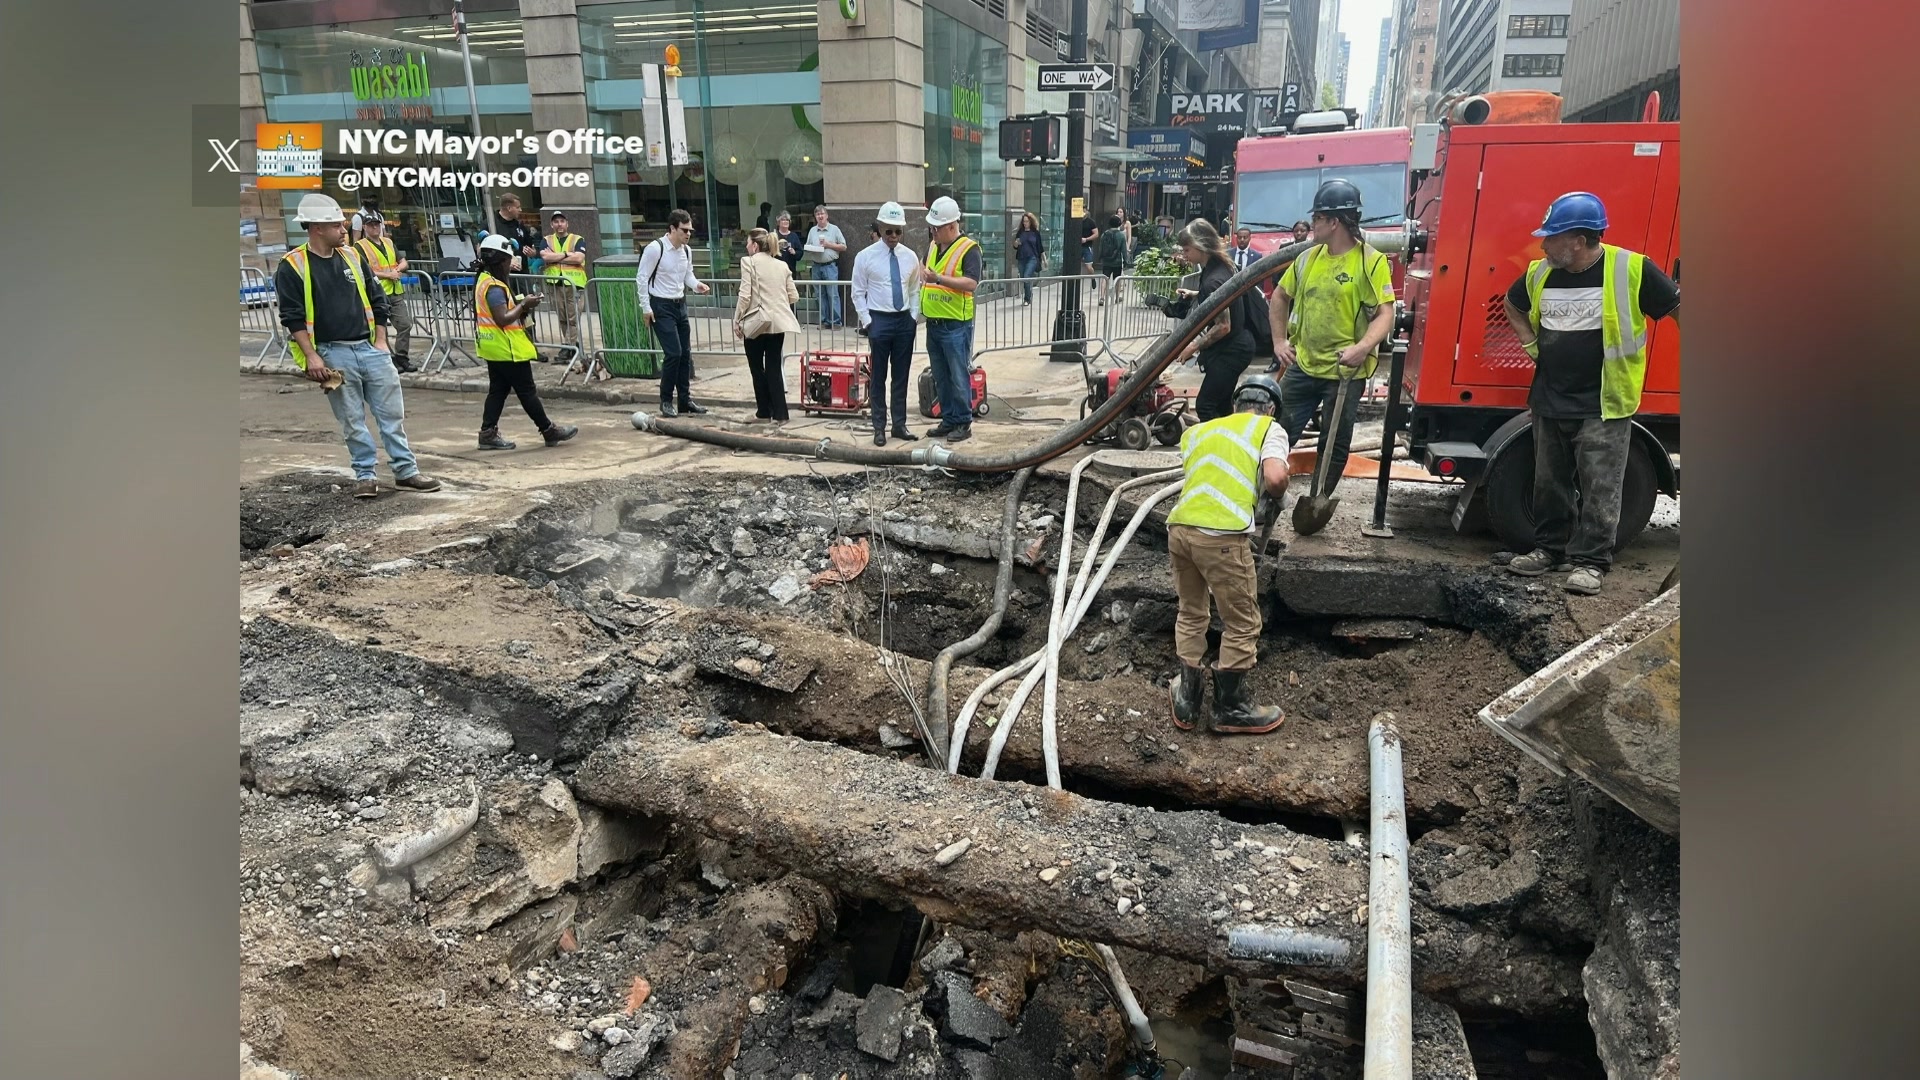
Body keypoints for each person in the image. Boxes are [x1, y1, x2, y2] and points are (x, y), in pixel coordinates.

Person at [1501, 191, 1681, 595]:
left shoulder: (1630, 268)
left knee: (1601, 486)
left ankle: (1592, 563)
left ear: (1578, 241)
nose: (1543, 246)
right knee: (1549, 483)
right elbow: (1513, 305)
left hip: (1604, 402)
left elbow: (1679, 308)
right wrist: (1532, 346)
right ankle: (1550, 551)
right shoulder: (1539, 273)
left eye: (1551, 238)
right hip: (1550, 398)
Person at [274, 193, 440, 499]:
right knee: (351, 419)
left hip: (369, 348)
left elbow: (378, 299)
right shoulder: (292, 266)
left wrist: (381, 340)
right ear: (317, 228)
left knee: (391, 415)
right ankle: (365, 474)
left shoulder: (352, 256)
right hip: (332, 352)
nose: (344, 229)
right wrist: (312, 357)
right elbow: (292, 317)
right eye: (337, 225)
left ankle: (406, 471)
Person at [1165, 374, 1291, 735]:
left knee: (1191, 611)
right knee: (1242, 621)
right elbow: (1275, 479)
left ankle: (1187, 699)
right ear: (1270, 409)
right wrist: (1279, 488)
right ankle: (1230, 708)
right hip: (1221, 536)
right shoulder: (1269, 429)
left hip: (1180, 529)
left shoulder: (1200, 431)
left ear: (1235, 404)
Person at [1267, 179, 1396, 497]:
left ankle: (1319, 500)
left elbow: (1386, 313)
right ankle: (1265, 495)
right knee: (1276, 434)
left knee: (1334, 443)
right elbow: (1279, 297)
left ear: (1334, 221)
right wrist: (1279, 342)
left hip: (1345, 372)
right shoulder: (1307, 259)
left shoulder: (1370, 262)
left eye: (1317, 218)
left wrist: (1362, 348)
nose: (1312, 224)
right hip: (1304, 365)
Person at [472, 234, 579, 451]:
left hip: (494, 347)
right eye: (508, 261)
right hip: (507, 349)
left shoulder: (485, 279)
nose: (510, 265)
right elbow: (502, 318)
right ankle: (548, 430)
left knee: (498, 391)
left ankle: (487, 433)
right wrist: (524, 306)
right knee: (527, 391)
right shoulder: (494, 287)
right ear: (499, 261)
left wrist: (522, 303)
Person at [1170, 219, 1257, 421]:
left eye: (1187, 250)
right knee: (1222, 403)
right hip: (1238, 345)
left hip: (1231, 350)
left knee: (1206, 405)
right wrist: (1195, 294)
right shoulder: (1221, 266)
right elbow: (1220, 298)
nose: (1184, 254)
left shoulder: (1213, 279)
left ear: (1201, 246)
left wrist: (1193, 347)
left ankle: (1214, 439)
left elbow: (1223, 326)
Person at [852, 201, 922, 446]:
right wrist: (868, 322)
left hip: (903, 321)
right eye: (889, 231)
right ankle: (879, 427)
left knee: (901, 377)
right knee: (878, 377)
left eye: (898, 231)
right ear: (880, 228)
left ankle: (899, 425)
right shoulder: (865, 257)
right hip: (879, 320)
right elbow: (857, 292)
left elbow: (914, 289)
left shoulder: (909, 257)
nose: (893, 236)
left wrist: (913, 316)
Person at [637, 208, 713, 418]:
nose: (688, 234)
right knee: (674, 353)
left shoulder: (686, 251)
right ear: (672, 228)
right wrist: (646, 307)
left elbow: (688, 275)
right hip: (661, 305)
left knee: (685, 354)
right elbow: (642, 277)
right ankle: (666, 400)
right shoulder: (656, 248)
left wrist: (697, 285)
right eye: (684, 230)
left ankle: (685, 400)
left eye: (690, 230)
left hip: (680, 304)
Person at [920, 195, 982, 444]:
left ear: (951, 226)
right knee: (941, 376)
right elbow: (924, 268)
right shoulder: (933, 246)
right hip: (934, 323)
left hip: (956, 324)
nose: (932, 231)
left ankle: (963, 422)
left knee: (957, 376)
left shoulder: (969, 249)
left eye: (936, 227)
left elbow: (971, 283)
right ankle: (948, 419)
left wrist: (939, 279)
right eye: (931, 227)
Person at [733, 228, 801, 424]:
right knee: (774, 367)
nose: (747, 246)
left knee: (757, 368)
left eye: (748, 243)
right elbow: (794, 296)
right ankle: (781, 413)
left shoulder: (748, 262)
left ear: (755, 245)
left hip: (756, 323)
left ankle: (764, 411)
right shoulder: (782, 265)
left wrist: (737, 319)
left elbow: (744, 295)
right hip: (777, 323)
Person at [353, 215, 416, 373]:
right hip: (377, 294)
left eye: (376, 224)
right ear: (365, 227)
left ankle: (402, 357)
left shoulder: (388, 242)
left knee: (405, 324)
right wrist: (388, 275)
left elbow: (403, 261)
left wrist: (398, 269)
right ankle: (389, 358)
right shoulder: (360, 246)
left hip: (395, 291)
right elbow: (363, 270)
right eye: (371, 225)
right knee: (381, 329)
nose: (374, 227)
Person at [539, 210, 588, 361]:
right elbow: (545, 256)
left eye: (562, 221)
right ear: (551, 224)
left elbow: (579, 258)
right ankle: (573, 345)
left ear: (567, 223)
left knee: (573, 318)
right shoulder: (547, 240)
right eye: (556, 222)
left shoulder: (577, 239)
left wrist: (556, 257)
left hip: (574, 285)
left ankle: (567, 347)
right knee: (562, 318)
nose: (559, 224)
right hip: (555, 284)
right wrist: (568, 254)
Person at [805, 205, 848, 329]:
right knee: (820, 295)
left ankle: (836, 322)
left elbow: (844, 246)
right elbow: (807, 245)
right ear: (815, 217)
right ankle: (824, 321)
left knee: (832, 294)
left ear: (827, 215)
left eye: (822, 214)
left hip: (830, 266)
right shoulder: (812, 231)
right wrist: (811, 249)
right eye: (817, 214)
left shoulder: (834, 229)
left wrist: (829, 245)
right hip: (816, 266)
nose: (820, 216)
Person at [1095, 214, 1127, 305]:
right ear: (1119, 223)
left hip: (1106, 261)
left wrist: (1100, 257)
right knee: (1117, 279)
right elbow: (1124, 250)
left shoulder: (1104, 234)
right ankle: (1117, 297)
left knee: (1105, 278)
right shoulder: (1121, 235)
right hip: (1117, 261)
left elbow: (1101, 248)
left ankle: (1102, 297)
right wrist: (1126, 261)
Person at [1015, 212, 1044, 305]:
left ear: (1031, 222)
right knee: (1024, 278)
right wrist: (1016, 243)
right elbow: (1015, 246)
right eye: (1024, 221)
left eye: (1027, 221)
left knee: (1027, 276)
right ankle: (1029, 294)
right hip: (1022, 258)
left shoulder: (1035, 233)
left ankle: (1027, 299)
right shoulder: (1020, 232)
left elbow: (1040, 247)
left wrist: (1044, 259)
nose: (1025, 223)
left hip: (1032, 258)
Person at [773, 210, 805, 276]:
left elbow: (800, 253)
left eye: (787, 220)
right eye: (783, 220)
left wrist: (794, 253)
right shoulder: (774, 236)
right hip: (776, 270)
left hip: (791, 270)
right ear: (778, 222)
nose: (785, 222)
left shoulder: (794, 236)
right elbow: (768, 252)